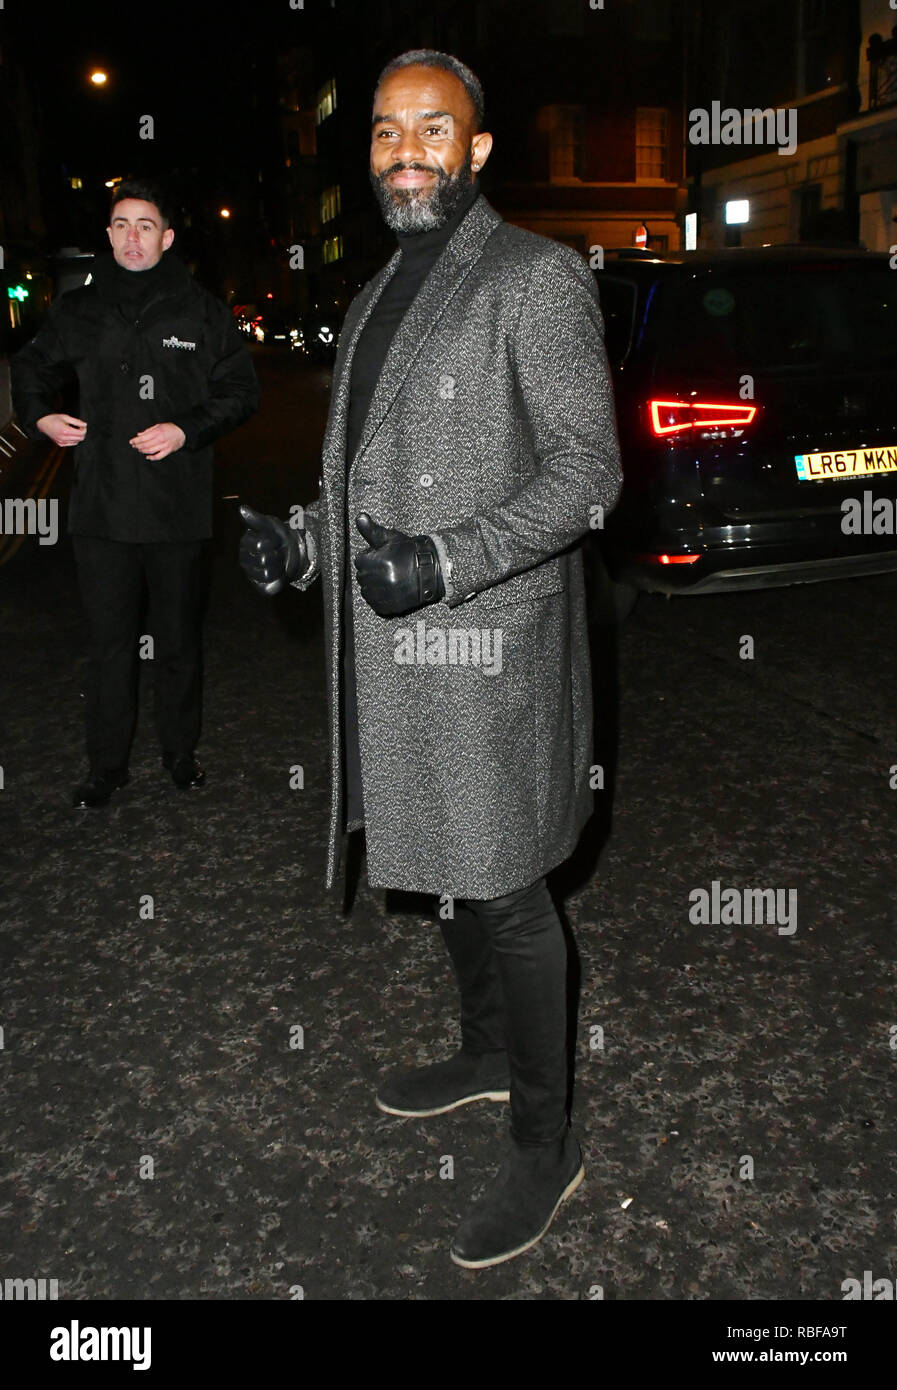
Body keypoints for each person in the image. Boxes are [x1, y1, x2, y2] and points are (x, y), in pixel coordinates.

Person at [239, 50, 622, 1269]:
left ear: (478, 148)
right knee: (446, 869)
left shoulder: (538, 278)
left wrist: (450, 561)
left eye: (434, 129)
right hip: (398, 664)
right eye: (388, 133)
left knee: (508, 892)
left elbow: (588, 474)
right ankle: (485, 1051)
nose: (407, 150)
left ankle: (548, 1140)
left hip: (488, 651)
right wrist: (302, 547)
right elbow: (358, 475)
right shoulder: (373, 293)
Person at [13, 178, 259, 808]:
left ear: (167, 237)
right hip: (101, 507)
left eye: (145, 225)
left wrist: (186, 428)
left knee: (177, 640)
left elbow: (239, 390)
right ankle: (107, 765)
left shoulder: (201, 309)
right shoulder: (79, 310)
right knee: (107, 646)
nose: (131, 236)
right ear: (108, 234)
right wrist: (40, 414)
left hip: (178, 506)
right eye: (121, 224)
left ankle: (180, 753)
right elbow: (32, 365)